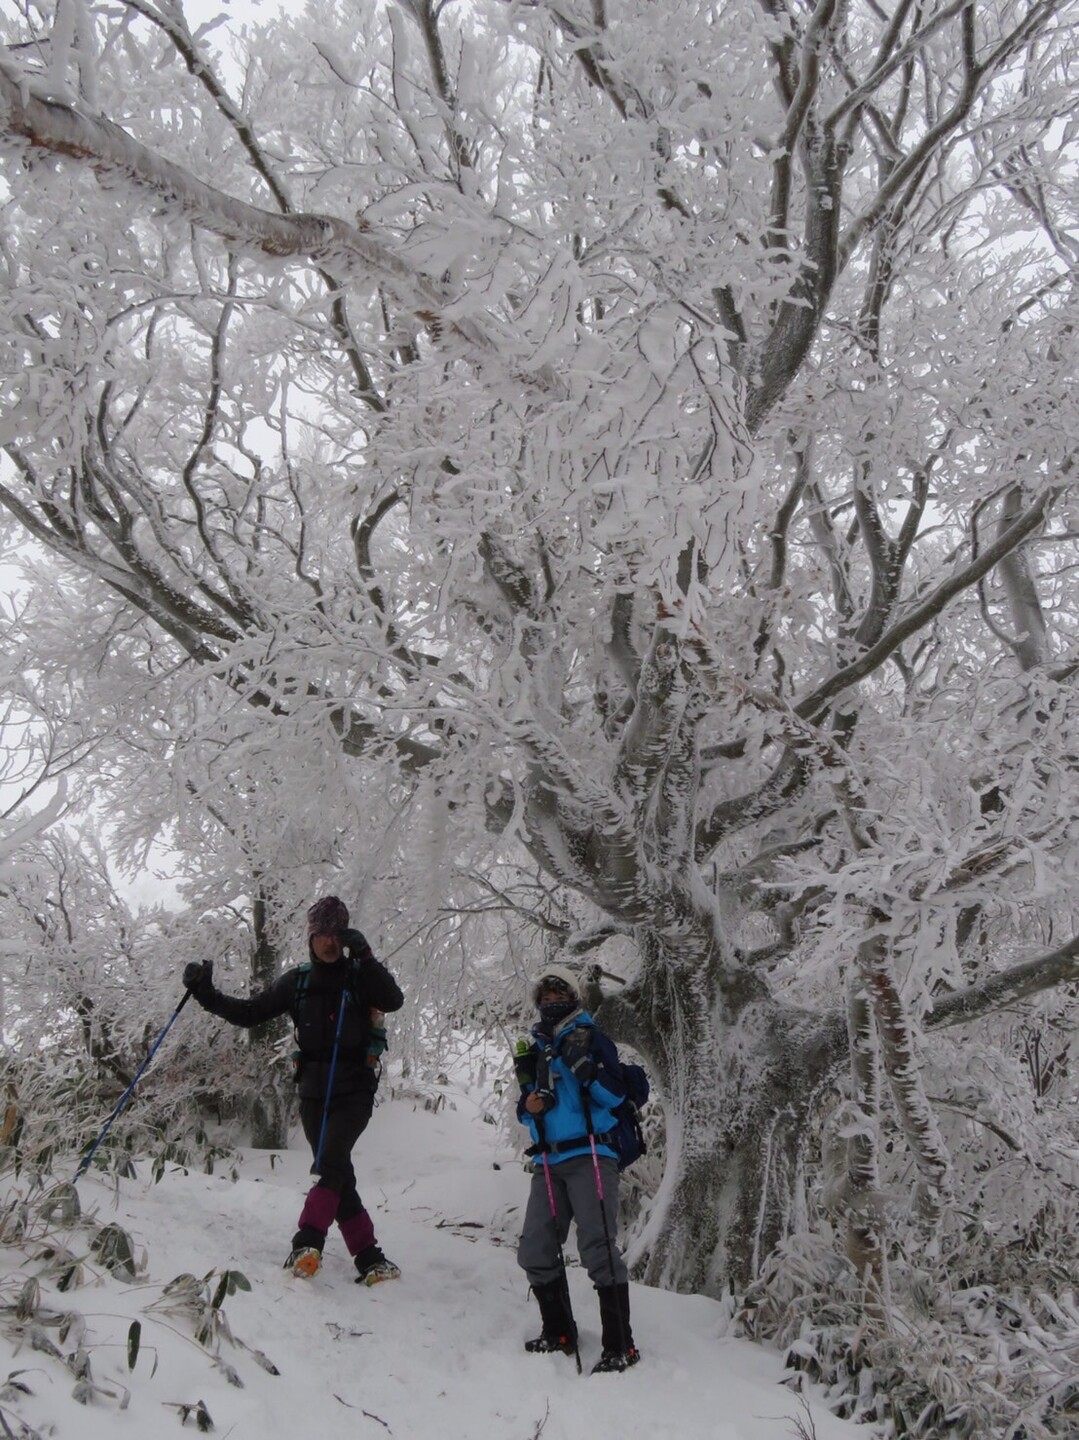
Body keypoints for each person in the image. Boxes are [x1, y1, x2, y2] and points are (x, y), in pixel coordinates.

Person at [182, 895, 404, 1285]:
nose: (329, 942)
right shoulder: (297, 982)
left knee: (330, 1166)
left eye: (336, 934)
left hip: (354, 1092)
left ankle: (307, 1243)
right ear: (310, 937)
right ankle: (371, 1260)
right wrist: (205, 994)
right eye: (321, 934)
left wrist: (367, 957)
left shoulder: (360, 976)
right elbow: (250, 1013)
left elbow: (393, 1000)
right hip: (313, 1095)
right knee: (339, 1174)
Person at [515, 963, 640, 1374]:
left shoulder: (592, 1037)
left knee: (598, 1247)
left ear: (574, 998)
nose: (552, 1002)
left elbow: (615, 1097)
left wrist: (585, 1069)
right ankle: (559, 1332)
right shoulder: (535, 1047)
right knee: (535, 1249)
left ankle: (620, 1345)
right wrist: (528, 1106)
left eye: (559, 996)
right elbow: (525, 1111)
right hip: (548, 1159)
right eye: (546, 997)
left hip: (591, 1154)